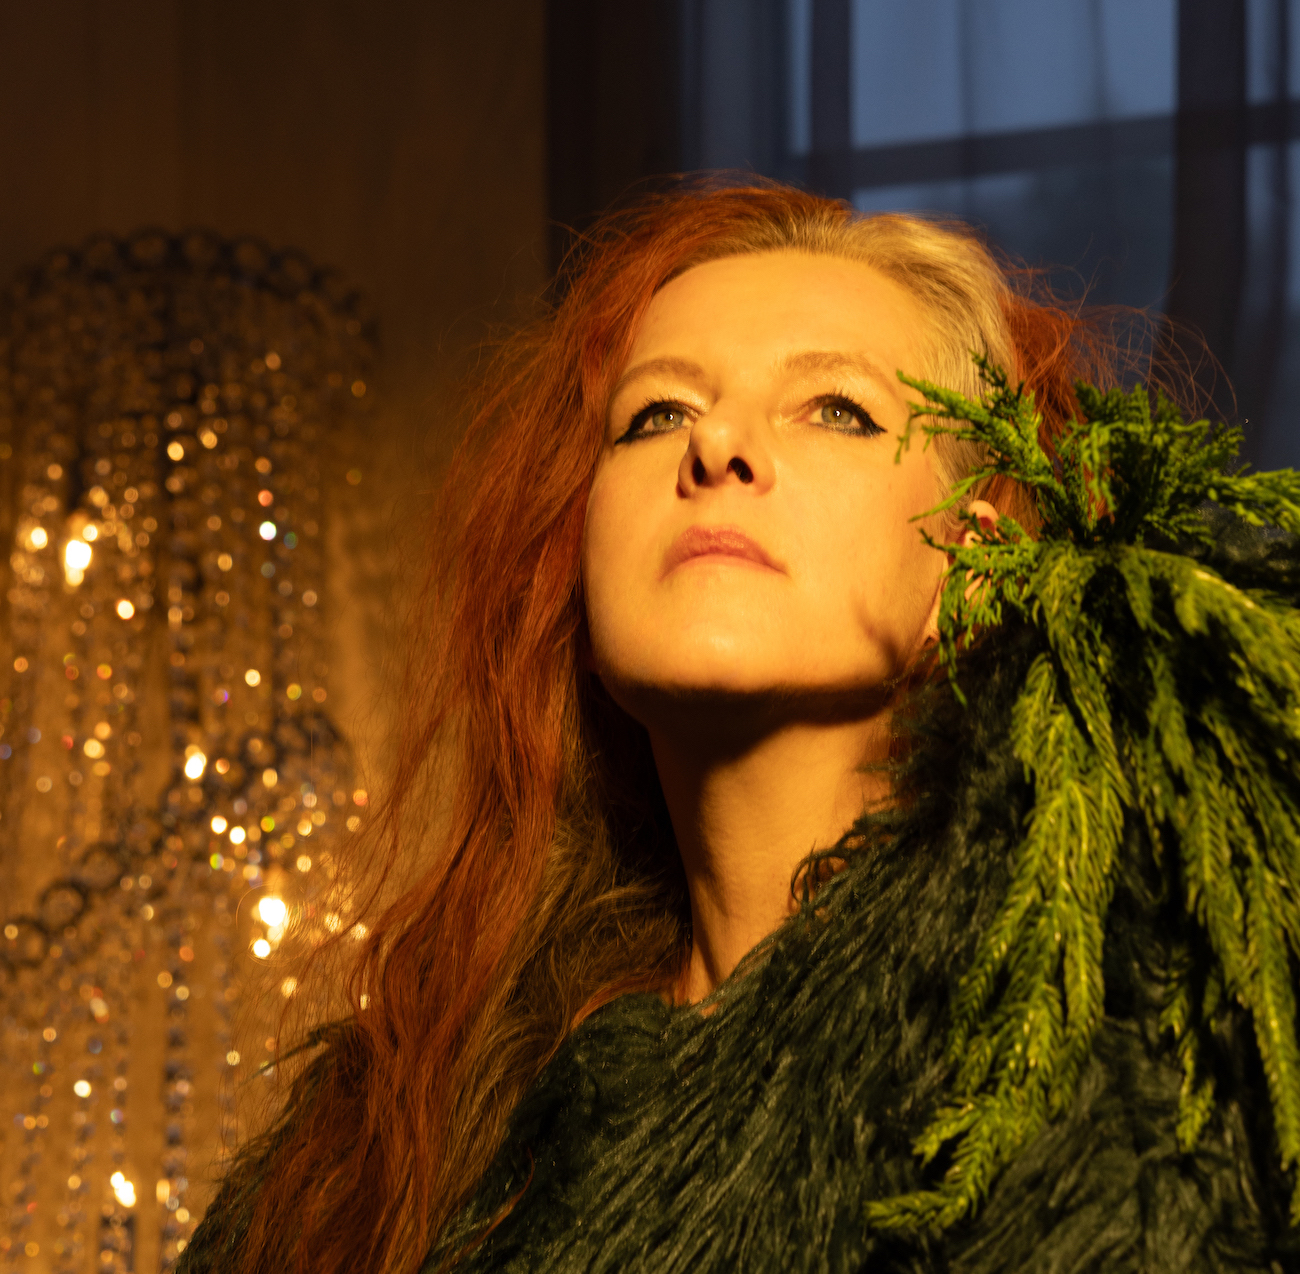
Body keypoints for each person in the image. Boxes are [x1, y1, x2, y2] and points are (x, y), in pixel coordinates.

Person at [181, 182, 1299, 1273]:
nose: (715, 444)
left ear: (973, 555)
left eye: (837, 409)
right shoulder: (391, 1136)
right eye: (656, 414)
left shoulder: (1130, 1033)